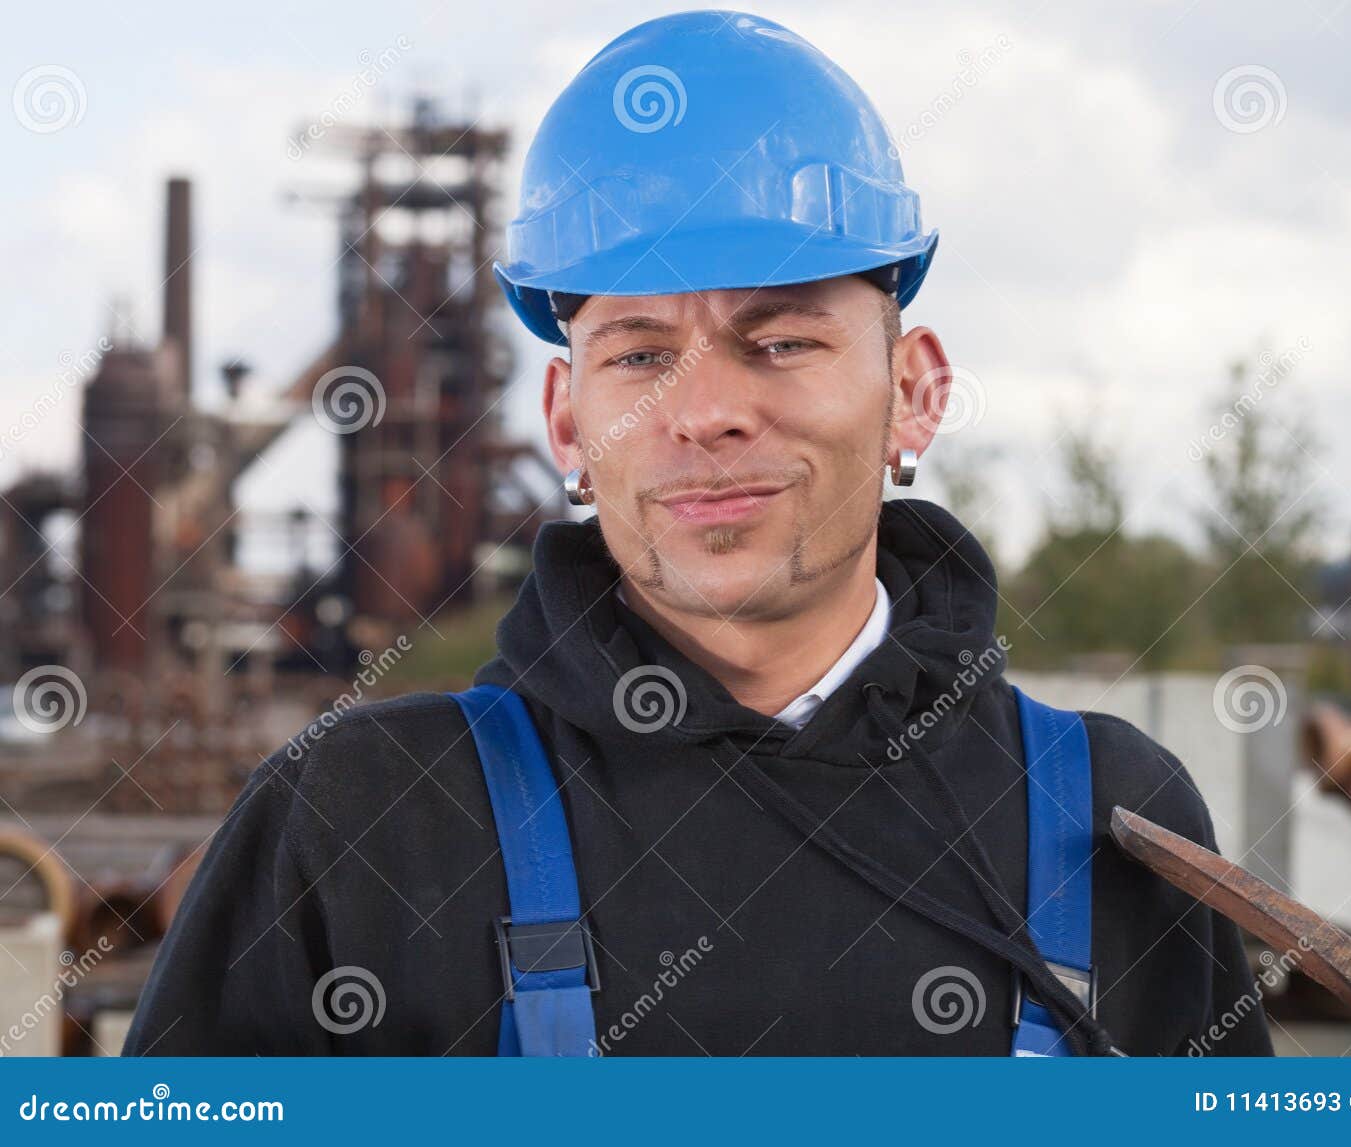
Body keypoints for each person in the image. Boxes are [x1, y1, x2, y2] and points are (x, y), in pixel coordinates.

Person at [125, 10, 1272, 1057]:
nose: (704, 409)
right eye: (636, 354)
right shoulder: (364, 823)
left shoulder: (1105, 815)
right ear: (567, 421)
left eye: (780, 342)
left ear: (913, 392)